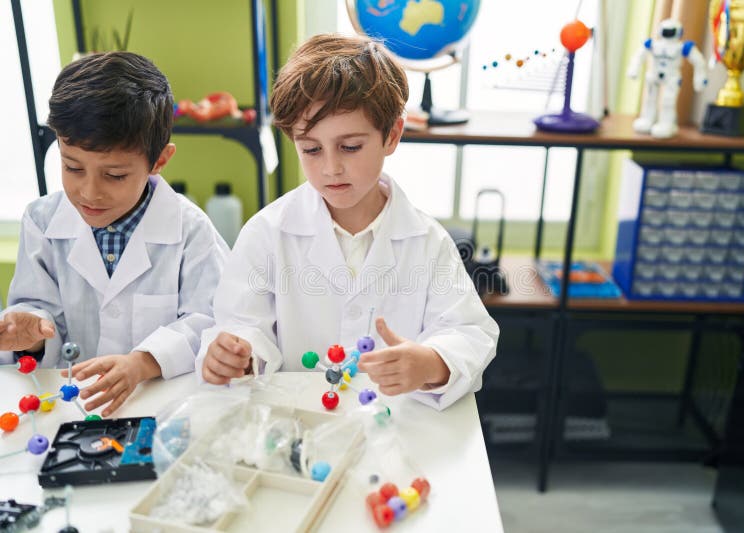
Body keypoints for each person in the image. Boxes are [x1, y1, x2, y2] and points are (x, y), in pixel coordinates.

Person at [196, 34, 498, 410]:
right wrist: (238, 355)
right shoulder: (266, 234)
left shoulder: (427, 242)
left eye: (350, 147)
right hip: (299, 425)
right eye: (311, 149)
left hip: (397, 428)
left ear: (392, 135)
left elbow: (468, 332)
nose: (331, 168)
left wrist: (432, 362)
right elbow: (243, 324)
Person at [0, 52, 229, 416]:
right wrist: (28, 333)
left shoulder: (191, 231)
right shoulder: (42, 222)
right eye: (72, 167)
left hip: (159, 407)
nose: (90, 192)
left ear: (159, 161)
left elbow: (211, 322)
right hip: (68, 409)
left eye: (115, 176)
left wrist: (141, 363)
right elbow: (38, 312)